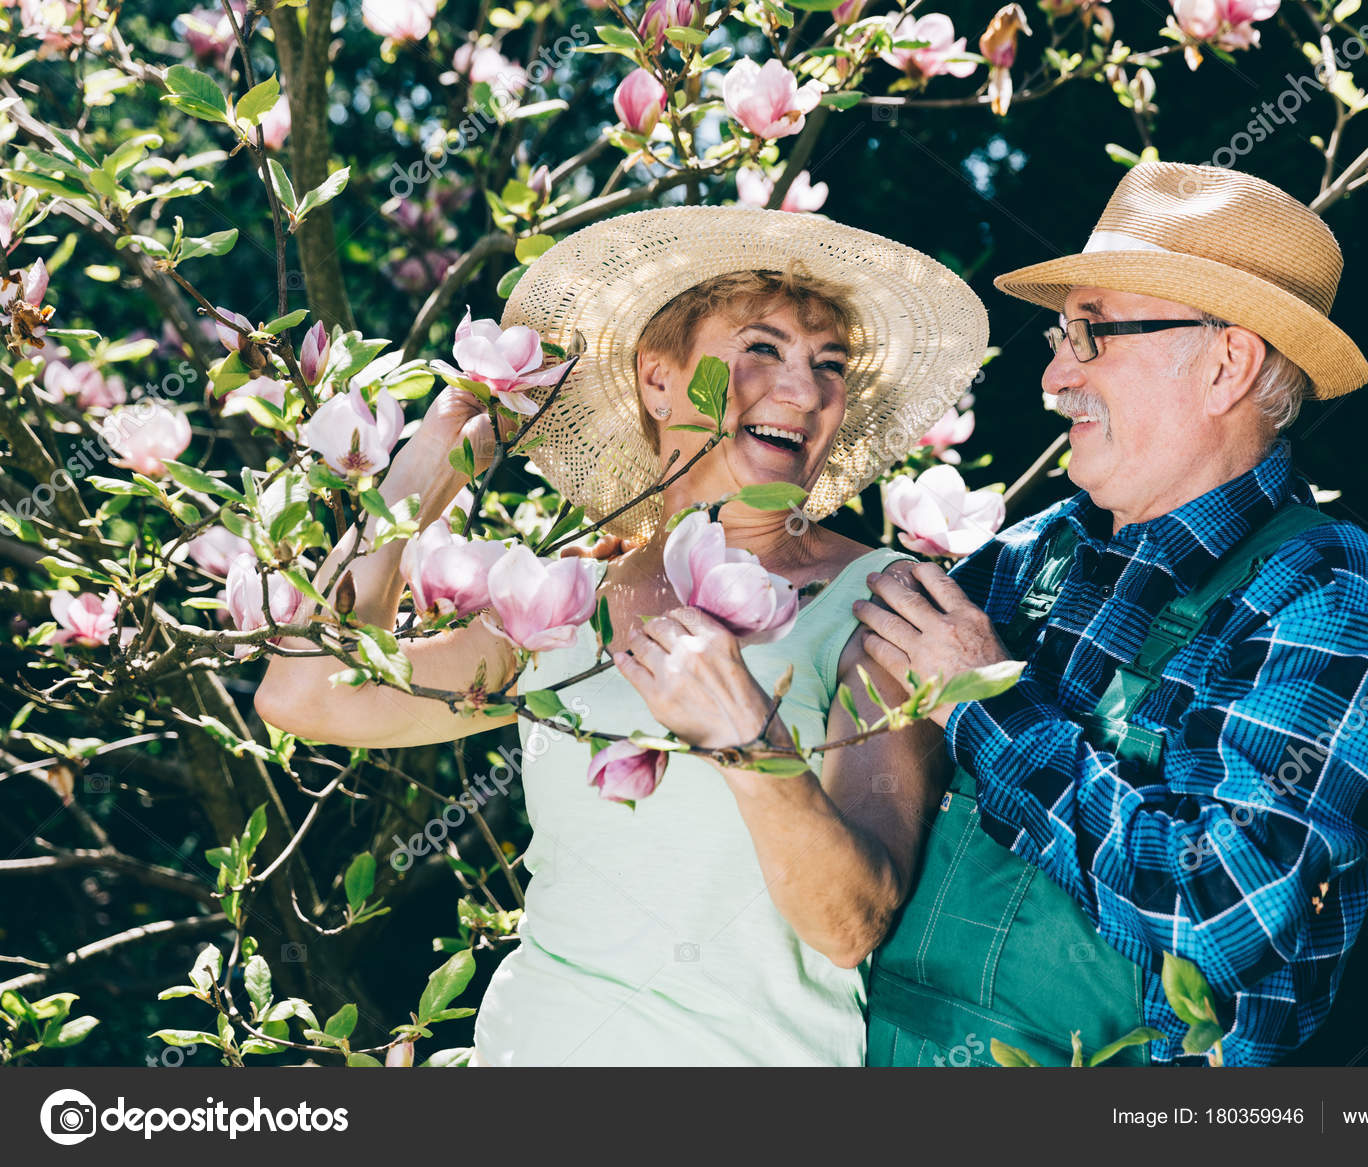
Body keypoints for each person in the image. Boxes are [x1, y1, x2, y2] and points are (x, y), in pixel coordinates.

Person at [254, 206, 988, 1065]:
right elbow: (300, 693)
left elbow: (848, 922)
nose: (806, 388)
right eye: (762, 348)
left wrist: (749, 740)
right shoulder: (572, 595)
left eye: (829, 365)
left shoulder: (884, 603)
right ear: (657, 379)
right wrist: (431, 460)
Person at [853, 162, 1368, 1067]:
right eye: (1058, 335)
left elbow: (1222, 908)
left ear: (1225, 364)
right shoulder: (1033, 554)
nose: (1052, 375)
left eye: (1090, 333)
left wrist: (980, 703)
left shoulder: (1331, 598)